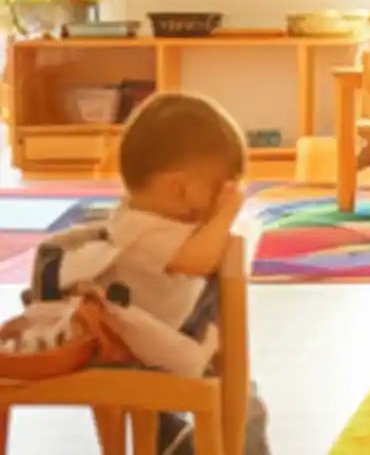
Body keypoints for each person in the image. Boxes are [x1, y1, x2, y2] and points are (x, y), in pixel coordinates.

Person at [10, 93, 271, 453]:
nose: (219, 200)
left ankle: (176, 441)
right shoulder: (140, 228)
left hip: (158, 334)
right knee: (246, 406)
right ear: (178, 188)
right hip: (139, 346)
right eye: (217, 189)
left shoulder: (153, 218)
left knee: (243, 400)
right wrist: (229, 211)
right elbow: (197, 261)